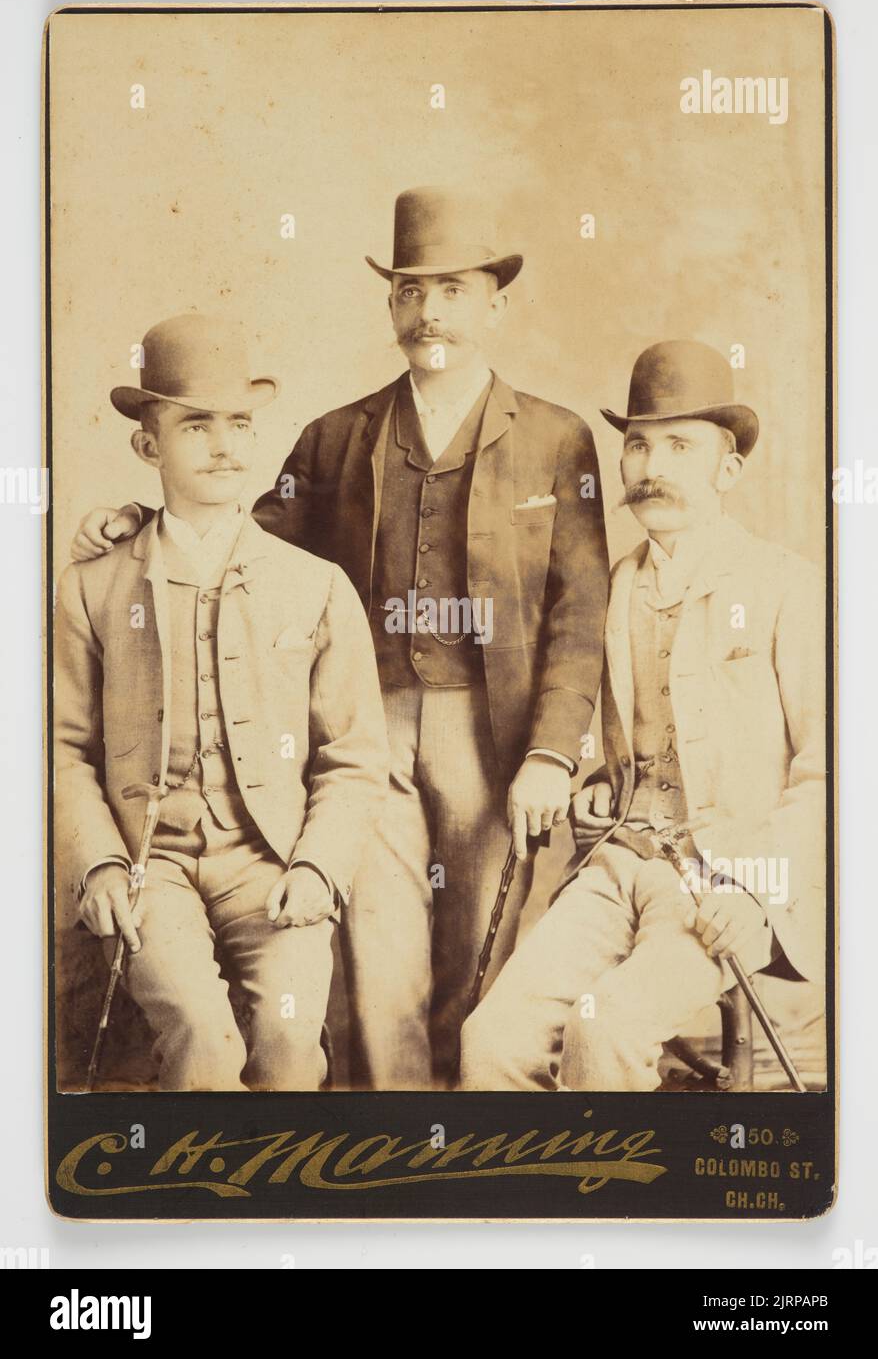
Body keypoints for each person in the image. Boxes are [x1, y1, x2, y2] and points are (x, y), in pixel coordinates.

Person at [70, 189, 610, 1088]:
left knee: (481, 953)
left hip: (497, 736)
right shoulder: (335, 438)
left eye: (452, 288)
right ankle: (396, 1150)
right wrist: (134, 520)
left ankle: (473, 1153)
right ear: (391, 306)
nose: (429, 311)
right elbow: (232, 540)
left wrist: (554, 752)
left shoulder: (558, 439)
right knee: (380, 959)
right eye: (408, 290)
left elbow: (581, 610)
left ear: (496, 304)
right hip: (370, 732)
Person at [460, 340, 825, 1092]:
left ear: (727, 470)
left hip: (730, 882)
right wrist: (603, 782)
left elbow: (835, 777)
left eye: (680, 445)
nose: (652, 467)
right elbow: (646, 739)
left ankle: (616, 1203)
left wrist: (755, 887)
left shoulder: (788, 587)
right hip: (618, 865)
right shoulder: (615, 585)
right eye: (637, 445)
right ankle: (520, 1203)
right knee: (489, 1039)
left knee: (608, 1027)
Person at [56, 313, 388, 1091]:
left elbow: (354, 756)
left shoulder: (315, 585)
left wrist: (317, 866)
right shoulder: (94, 585)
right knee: (203, 1043)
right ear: (148, 445)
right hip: (149, 864)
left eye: (239, 422)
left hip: (270, 860)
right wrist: (99, 865)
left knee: (289, 1036)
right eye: (195, 424)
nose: (224, 444)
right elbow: (64, 747)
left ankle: (278, 1200)